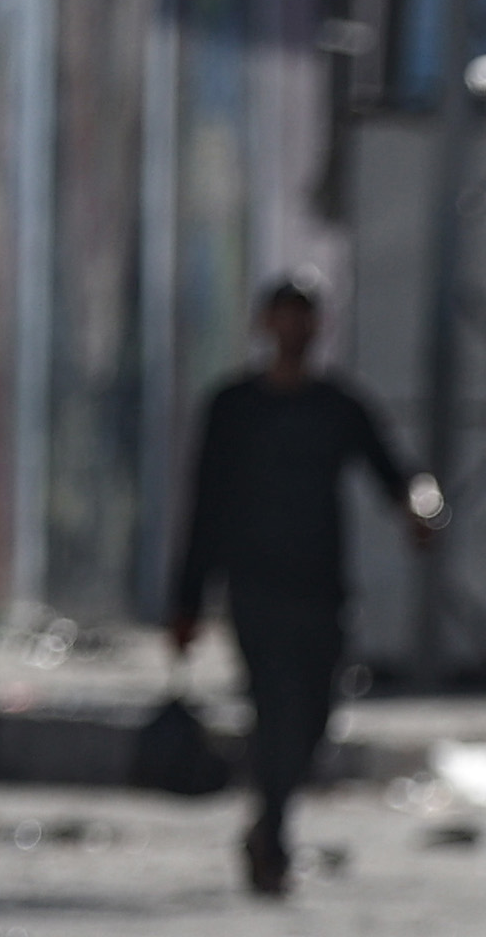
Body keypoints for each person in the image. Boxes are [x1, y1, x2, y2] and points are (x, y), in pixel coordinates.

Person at [165, 275, 440, 897]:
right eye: (282, 318)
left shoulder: (336, 408)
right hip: (254, 586)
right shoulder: (233, 408)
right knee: (270, 707)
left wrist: (423, 509)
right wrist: (186, 602)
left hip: (319, 587)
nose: (293, 332)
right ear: (265, 326)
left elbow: (396, 472)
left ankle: (270, 818)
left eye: (304, 319)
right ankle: (273, 834)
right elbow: (204, 506)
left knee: (314, 712)